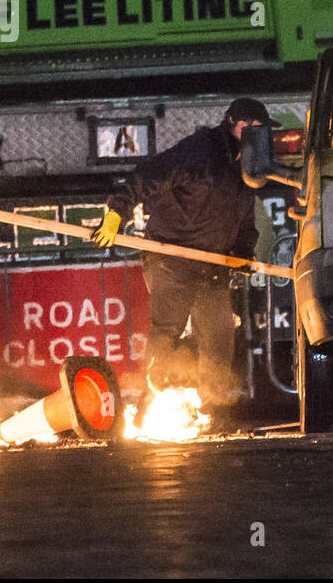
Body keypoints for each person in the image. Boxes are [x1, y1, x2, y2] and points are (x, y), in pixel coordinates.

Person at [91, 98, 279, 407]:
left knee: (218, 341)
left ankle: (213, 413)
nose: (265, 140)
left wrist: (243, 251)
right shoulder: (200, 151)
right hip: (171, 258)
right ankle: (149, 407)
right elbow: (148, 176)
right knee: (168, 327)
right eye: (259, 131)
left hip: (211, 266)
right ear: (240, 127)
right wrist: (117, 213)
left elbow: (244, 216)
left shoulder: (246, 167)